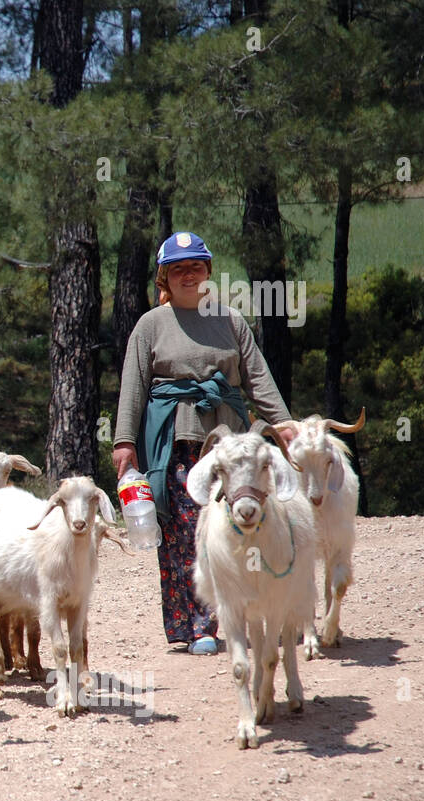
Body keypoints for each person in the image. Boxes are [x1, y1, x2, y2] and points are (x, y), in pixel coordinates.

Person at [113, 231, 298, 655]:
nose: (188, 274)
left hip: (230, 448)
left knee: (238, 527)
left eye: (195, 266)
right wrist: (125, 442)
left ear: (208, 271)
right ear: (164, 276)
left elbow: (258, 378)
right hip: (174, 441)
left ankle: (241, 617)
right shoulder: (149, 326)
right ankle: (196, 625)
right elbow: (132, 388)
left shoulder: (231, 321)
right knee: (181, 533)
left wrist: (283, 423)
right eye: (178, 268)